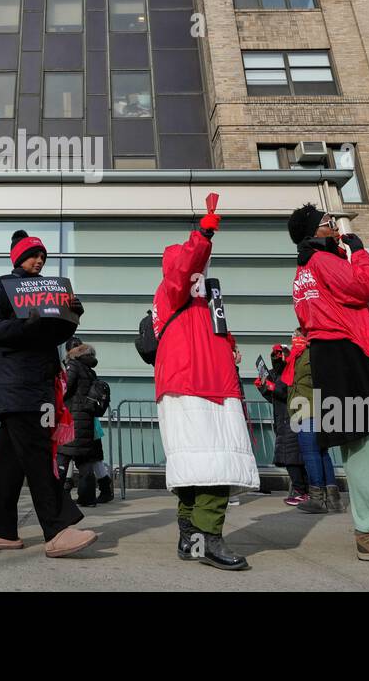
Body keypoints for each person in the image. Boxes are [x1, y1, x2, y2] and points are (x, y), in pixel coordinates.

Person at [289, 203, 369, 565]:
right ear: (312, 232)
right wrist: (360, 252)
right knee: (365, 442)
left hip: (345, 353)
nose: (333, 226)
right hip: (341, 353)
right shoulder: (320, 260)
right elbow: (362, 287)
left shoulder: (310, 266)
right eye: (327, 223)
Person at [0, 230, 98, 557]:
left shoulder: (49, 291)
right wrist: (26, 325)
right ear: (18, 258)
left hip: (38, 386)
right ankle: (57, 529)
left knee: (8, 463)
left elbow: (54, 334)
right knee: (41, 456)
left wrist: (72, 317)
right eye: (32, 256)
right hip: (15, 387)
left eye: (42, 257)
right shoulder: (2, 285)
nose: (38, 261)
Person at [152, 211, 258, 571]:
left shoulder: (199, 302)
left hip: (203, 381)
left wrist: (229, 346)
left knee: (195, 464)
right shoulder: (173, 289)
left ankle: (192, 539)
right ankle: (207, 538)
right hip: (196, 382)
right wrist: (202, 235)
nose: (202, 267)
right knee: (214, 463)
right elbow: (184, 268)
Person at [287, 330, 341, 514]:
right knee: (321, 452)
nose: (294, 340)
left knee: (311, 453)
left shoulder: (313, 353)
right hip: (306, 408)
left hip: (310, 407)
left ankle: (317, 497)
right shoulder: (299, 356)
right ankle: (333, 499)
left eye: (297, 336)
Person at [58, 338, 109, 507]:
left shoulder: (73, 366)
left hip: (71, 418)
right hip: (86, 419)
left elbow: (66, 388)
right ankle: (87, 499)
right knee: (85, 460)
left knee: (63, 457)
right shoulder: (90, 369)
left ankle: (55, 496)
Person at [257, 343, 309, 505]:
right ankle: (301, 489)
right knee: (291, 457)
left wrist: (272, 388)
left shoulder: (293, 370)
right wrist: (265, 388)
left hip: (292, 417)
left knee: (292, 457)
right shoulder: (283, 371)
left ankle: (301, 490)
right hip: (284, 418)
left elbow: (287, 392)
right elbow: (276, 398)